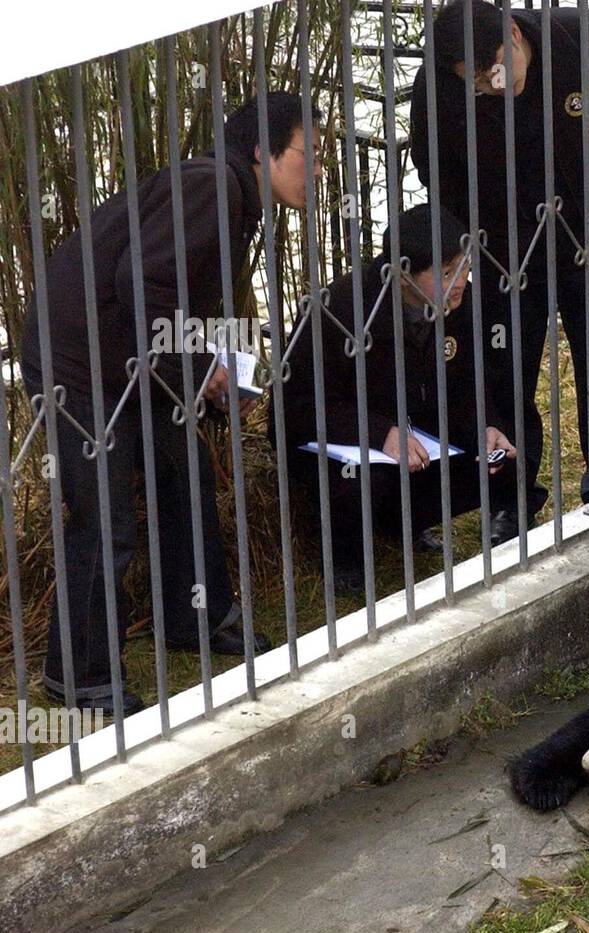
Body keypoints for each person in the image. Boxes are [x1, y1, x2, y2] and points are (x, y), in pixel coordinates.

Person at [19, 91, 320, 715]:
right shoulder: (212, 187)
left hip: (127, 353)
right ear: (264, 152)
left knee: (183, 470)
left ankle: (195, 617)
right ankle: (79, 677)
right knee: (104, 518)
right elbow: (144, 284)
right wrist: (202, 366)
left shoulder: (231, 194)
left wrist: (204, 372)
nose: (317, 170)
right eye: (307, 153)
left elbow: (163, 298)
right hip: (80, 362)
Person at [409, 0, 589, 543]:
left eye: (494, 73)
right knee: (505, 366)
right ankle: (511, 495)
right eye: (476, 85)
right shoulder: (441, 78)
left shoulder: (586, 38)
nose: (490, 89)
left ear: (514, 36)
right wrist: (467, 231)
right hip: (505, 250)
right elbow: (431, 161)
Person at [275, 203, 517, 594]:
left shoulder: (461, 304)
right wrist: (377, 432)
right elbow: (293, 409)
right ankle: (343, 553)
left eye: (465, 268)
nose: (461, 281)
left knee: (496, 459)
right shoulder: (339, 310)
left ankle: (406, 524)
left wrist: (484, 426)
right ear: (403, 274)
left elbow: (467, 384)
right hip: (349, 445)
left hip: (417, 435)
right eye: (446, 273)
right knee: (360, 479)